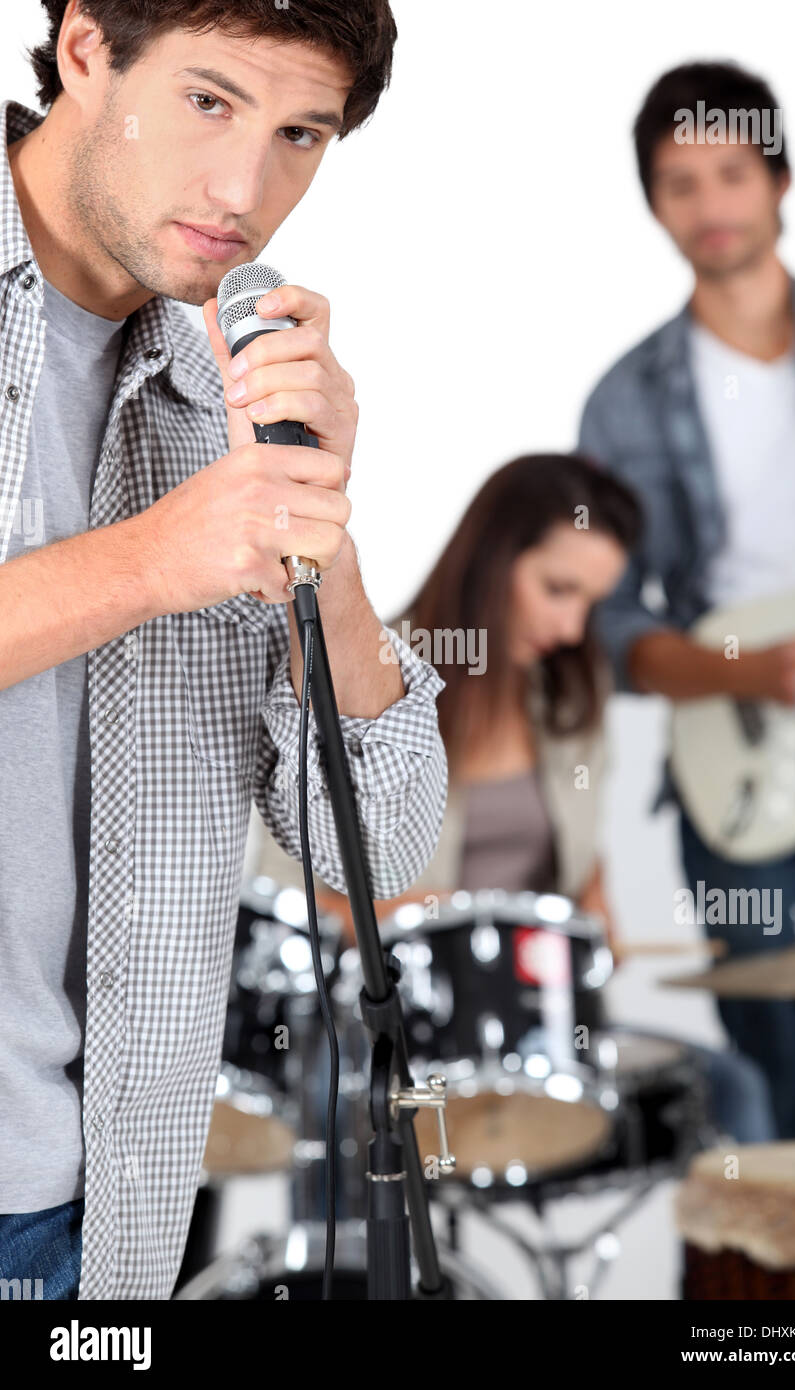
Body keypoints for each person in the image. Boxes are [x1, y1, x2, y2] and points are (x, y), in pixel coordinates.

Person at [0, 0, 448, 1301]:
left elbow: (373, 832)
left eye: (299, 132)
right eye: (209, 101)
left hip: (97, 1217)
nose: (246, 188)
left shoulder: (226, 403)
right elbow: (162, 563)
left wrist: (323, 535)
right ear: (87, 50)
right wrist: (154, 558)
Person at [257, 451, 776, 1143]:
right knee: (340, 1105)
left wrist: (596, 905)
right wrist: (395, 916)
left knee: (731, 1092)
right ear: (492, 562)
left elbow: (578, 851)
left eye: (590, 603)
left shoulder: (570, 698)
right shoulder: (366, 679)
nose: (571, 627)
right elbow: (286, 894)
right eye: (559, 589)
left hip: (536, 1032)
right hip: (396, 1029)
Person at [577, 60, 795, 1140]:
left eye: (729, 174)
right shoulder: (623, 398)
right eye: (677, 183)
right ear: (651, 201)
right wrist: (745, 670)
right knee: (774, 1101)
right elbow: (603, 627)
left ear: (778, 179)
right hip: (734, 755)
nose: (707, 205)